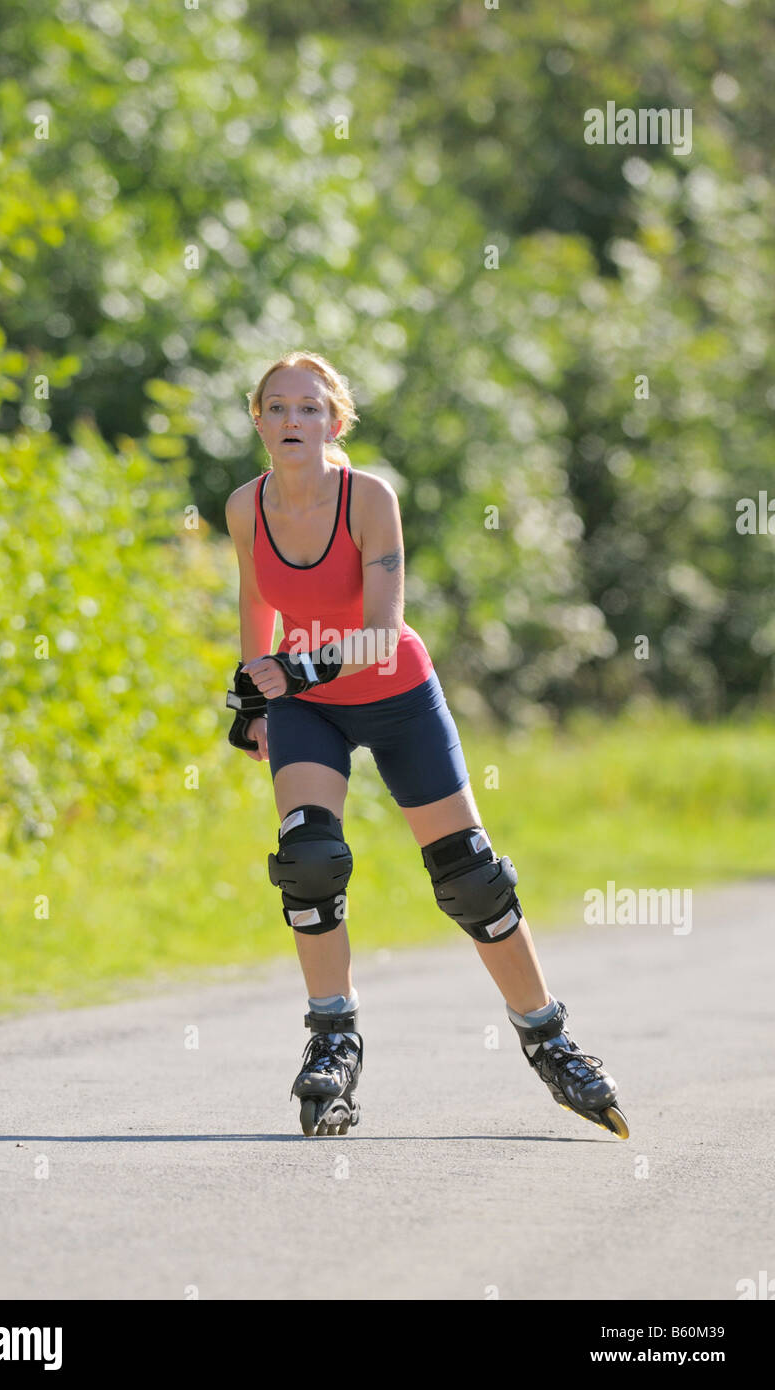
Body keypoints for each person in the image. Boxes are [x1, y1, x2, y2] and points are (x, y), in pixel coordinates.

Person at [224, 350, 628, 1140]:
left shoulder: (369, 498)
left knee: (471, 878)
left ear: (334, 422)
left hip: (395, 694)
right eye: (277, 407)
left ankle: (547, 1037)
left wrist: (294, 666)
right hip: (311, 708)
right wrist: (248, 697)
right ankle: (332, 1040)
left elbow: (381, 635)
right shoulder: (247, 505)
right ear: (260, 423)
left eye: (309, 408)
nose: (293, 420)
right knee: (308, 861)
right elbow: (253, 599)